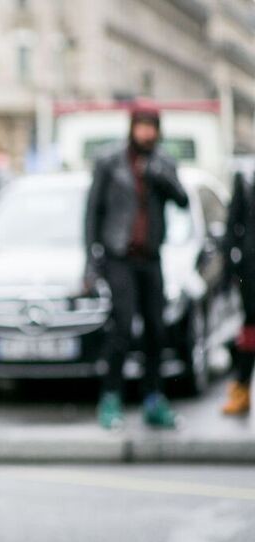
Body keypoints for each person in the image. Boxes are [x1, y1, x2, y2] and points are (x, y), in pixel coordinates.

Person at [84, 105, 190, 430]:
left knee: (156, 331)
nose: (146, 133)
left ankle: (154, 399)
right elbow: (92, 213)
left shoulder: (164, 162)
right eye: (141, 126)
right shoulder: (109, 161)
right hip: (119, 256)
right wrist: (90, 262)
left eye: (151, 127)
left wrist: (160, 176)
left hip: (151, 258)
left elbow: (183, 200)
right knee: (122, 328)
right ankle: (110, 398)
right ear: (131, 128)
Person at [221, 169, 255, 415]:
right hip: (251, 270)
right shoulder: (246, 178)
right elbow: (232, 227)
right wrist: (229, 271)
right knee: (251, 327)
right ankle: (241, 389)